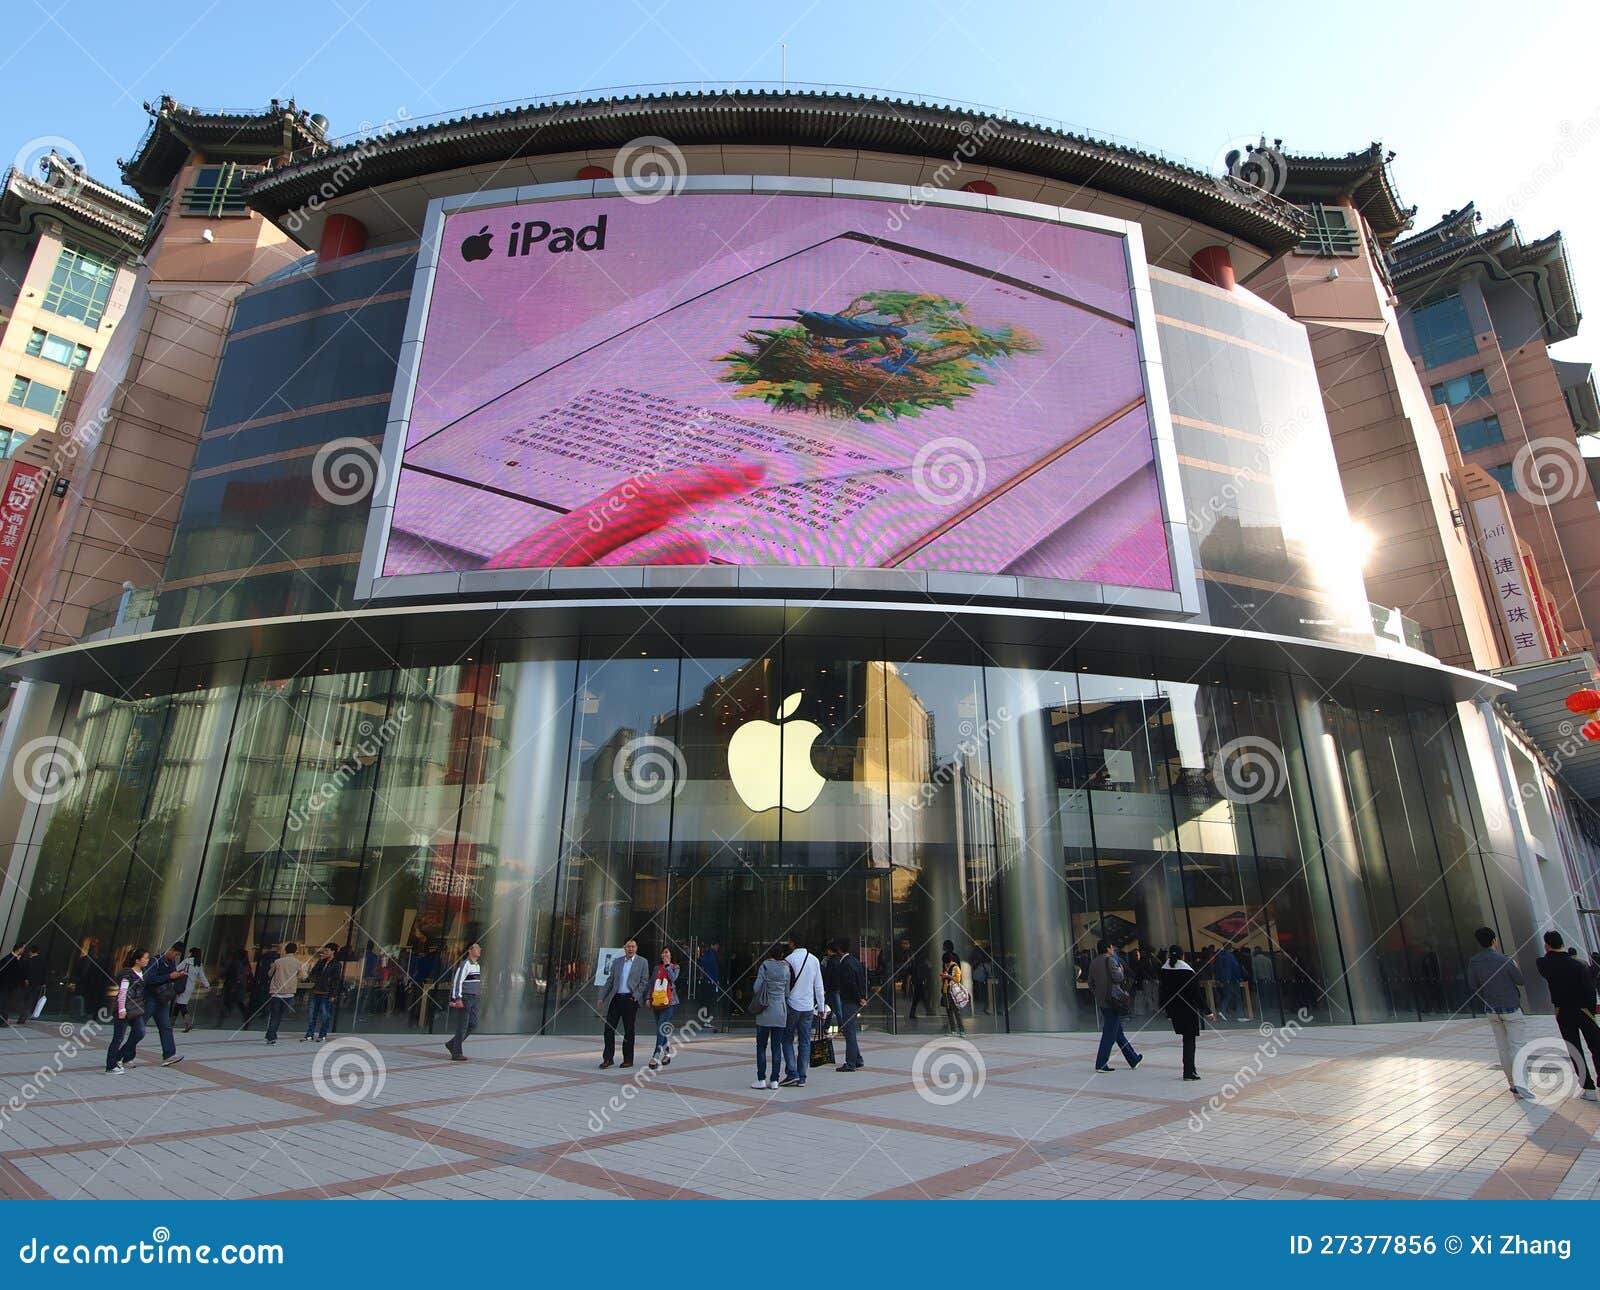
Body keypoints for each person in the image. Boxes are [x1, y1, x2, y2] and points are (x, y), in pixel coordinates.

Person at [1466, 926, 1532, 1098]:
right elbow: (1520, 981)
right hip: (1510, 1007)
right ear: (1494, 940)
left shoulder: (1474, 961)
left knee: (1503, 1047)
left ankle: (1512, 1083)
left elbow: (1473, 986)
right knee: (1517, 1046)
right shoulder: (1504, 959)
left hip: (1491, 1009)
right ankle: (1521, 1083)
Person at [1537, 930, 1600, 1102]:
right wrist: (1591, 1010)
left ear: (1547, 945)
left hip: (1562, 1011)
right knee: (1596, 1045)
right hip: (1583, 1010)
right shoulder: (1578, 965)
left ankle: (1588, 1088)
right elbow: (1589, 990)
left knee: (1574, 1049)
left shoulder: (1544, 963)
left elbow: (1544, 962)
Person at [1088, 940, 1143, 1073]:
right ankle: (1101, 1063)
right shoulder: (1110, 960)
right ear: (1108, 948)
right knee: (1109, 1033)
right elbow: (1118, 978)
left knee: (1117, 1031)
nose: (1112, 949)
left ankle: (1133, 1058)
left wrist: (1098, 994)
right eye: (1111, 947)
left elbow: (1090, 982)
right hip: (1113, 1000)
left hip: (1102, 1001)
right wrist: (1121, 969)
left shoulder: (1094, 962)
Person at [781, 936, 826, 1087]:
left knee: (787, 1039)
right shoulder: (814, 960)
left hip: (792, 1005)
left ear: (793, 943)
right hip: (808, 1006)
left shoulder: (789, 959)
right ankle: (802, 1076)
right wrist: (821, 1007)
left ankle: (792, 1073)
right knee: (805, 1041)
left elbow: (784, 984)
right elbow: (819, 985)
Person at [598, 939, 647, 1069]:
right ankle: (608, 1058)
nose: (630, 949)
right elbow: (610, 981)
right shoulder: (617, 962)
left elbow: (644, 981)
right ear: (624, 948)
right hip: (616, 998)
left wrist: (635, 996)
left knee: (629, 1030)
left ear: (636, 948)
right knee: (609, 1029)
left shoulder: (642, 962)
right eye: (628, 947)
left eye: (633, 946)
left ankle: (628, 1059)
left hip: (630, 1000)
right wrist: (602, 997)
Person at [1158, 945, 1203, 1080]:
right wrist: (1207, 1011)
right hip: (1188, 1010)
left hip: (1174, 1011)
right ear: (1182, 955)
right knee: (1189, 1041)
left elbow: (1163, 993)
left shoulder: (1164, 971)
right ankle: (1189, 1072)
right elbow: (1196, 994)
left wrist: (1167, 1011)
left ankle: (1190, 1069)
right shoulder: (1188, 971)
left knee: (1186, 1039)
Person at [748, 944, 790, 1090]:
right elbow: (787, 992)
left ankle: (761, 1079)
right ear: (782, 954)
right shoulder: (786, 968)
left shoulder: (764, 966)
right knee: (776, 1047)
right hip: (780, 1012)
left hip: (764, 1012)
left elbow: (756, 988)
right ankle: (774, 1080)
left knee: (761, 1047)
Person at [143, 943, 188, 1066]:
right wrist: (169, 976)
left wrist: (178, 976)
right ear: (170, 949)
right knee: (139, 1028)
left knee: (166, 1027)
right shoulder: (155, 961)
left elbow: (170, 978)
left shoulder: (171, 962)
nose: (175, 957)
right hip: (151, 998)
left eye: (178, 955)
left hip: (162, 1000)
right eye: (175, 953)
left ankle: (169, 1055)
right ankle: (125, 1055)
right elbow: (150, 979)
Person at [106, 950, 150, 1073]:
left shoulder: (144, 973)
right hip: (125, 1009)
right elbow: (122, 992)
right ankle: (111, 1065)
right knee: (118, 1038)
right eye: (145, 958)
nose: (147, 960)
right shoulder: (127, 974)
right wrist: (121, 1009)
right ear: (137, 960)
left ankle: (118, 1057)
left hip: (136, 1010)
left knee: (140, 1032)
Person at [833, 938, 869, 1071]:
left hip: (849, 1001)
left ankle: (850, 1063)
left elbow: (851, 983)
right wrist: (863, 996)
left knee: (849, 1032)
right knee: (850, 1030)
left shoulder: (845, 964)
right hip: (855, 1000)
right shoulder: (854, 961)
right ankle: (857, 1059)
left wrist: (859, 997)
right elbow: (862, 979)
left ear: (839, 950)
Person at [445, 941, 481, 1061]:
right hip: (466, 997)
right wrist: (458, 998)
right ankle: (456, 1052)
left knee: (473, 1024)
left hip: (474, 998)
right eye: (476, 948)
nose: (479, 950)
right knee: (463, 1025)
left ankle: (452, 1044)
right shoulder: (465, 964)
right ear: (470, 951)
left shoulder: (477, 965)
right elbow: (458, 981)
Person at [646, 946, 681, 1069]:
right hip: (657, 1002)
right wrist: (648, 998)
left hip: (670, 1003)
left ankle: (655, 1055)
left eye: (667, 952)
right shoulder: (656, 968)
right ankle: (667, 1053)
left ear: (671, 955)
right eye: (663, 953)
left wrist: (667, 966)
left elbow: (673, 979)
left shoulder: (675, 967)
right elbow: (651, 984)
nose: (664, 955)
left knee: (661, 1027)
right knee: (661, 1028)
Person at [264, 941, 303, 1045]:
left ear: (285, 950)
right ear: (296, 951)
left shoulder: (278, 961)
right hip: (289, 992)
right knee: (280, 1015)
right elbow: (302, 976)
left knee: (274, 1015)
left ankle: (271, 1035)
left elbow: (269, 974)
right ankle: (271, 1034)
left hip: (276, 992)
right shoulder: (298, 963)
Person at [302, 944, 341, 1042]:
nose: (325, 952)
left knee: (325, 1014)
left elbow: (336, 980)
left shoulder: (336, 964)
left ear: (333, 952)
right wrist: (320, 960)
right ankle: (309, 1034)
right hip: (316, 990)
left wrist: (333, 994)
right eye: (324, 951)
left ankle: (322, 1034)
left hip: (327, 991)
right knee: (312, 1014)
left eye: (327, 951)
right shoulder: (322, 962)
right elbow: (313, 973)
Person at [173, 946, 210, 1033]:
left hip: (182, 985)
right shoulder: (199, 964)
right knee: (179, 1003)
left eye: (189, 952)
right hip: (190, 987)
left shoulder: (187, 961)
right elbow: (202, 976)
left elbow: (176, 969)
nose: (188, 954)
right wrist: (207, 985)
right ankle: (171, 1022)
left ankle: (188, 1023)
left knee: (181, 1004)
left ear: (192, 953)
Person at [895, 937, 932, 1021]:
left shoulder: (911, 953)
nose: (903, 945)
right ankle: (925, 1010)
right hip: (913, 977)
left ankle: (921, 1011)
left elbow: (911, 967)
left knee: (918, 995)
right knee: (918, 995)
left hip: (914, 977)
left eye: (905, 943)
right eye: (902, 943)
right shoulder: (904, 953)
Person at [940, 941, 967, 1037]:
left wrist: (947, 976)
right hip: (947, 988)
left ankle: (961, 1030)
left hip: (952, 989)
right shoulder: (955, 958)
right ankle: (954, 1030)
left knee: (955, 1010)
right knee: (949, 1010)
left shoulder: (953, 965)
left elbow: (957, 978)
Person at [696, 940, 722, 1032]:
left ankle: (705, 1020)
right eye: (717, 945)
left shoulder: (712, 954)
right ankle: (705, 1020)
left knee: (707, 1002)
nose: (717, 947)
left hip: (710, 981)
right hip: (709, 981)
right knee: (708, 1002)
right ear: (713, 945)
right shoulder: (710, 953)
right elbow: (704, 962)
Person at [1212, 946, 1243, 1021]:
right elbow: (1235, 967)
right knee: (1238, 997)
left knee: (1227, 995)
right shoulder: (1230, 956)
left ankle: (1222, 1011)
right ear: (1230, 948)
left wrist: (1218, 979)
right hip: (1232, 979)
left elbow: (1216, 969)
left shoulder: (1219, 957)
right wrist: (1238, 978)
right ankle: (1240, 1015)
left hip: (1224, 979)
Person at [16, 946, 46, 1022]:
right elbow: (43, 973)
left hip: (27, 983)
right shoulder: (42, 961)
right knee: (30, 1000)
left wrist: (25, 979)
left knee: (22, 999)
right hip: (36, 984)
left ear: (31, 951)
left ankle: (22, 1015)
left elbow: (24, 971)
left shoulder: (29, 960)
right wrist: (43, 983)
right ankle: (24, 1016)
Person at [222, 948, 252, 1022]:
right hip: (241, 985)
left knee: (231, 1000)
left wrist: (234, 985)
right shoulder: (246, 964)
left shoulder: (237, 963)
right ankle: (246, 1016)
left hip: (235, 984)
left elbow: (236, 975)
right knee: (238, 1001)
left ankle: (227, 1013)